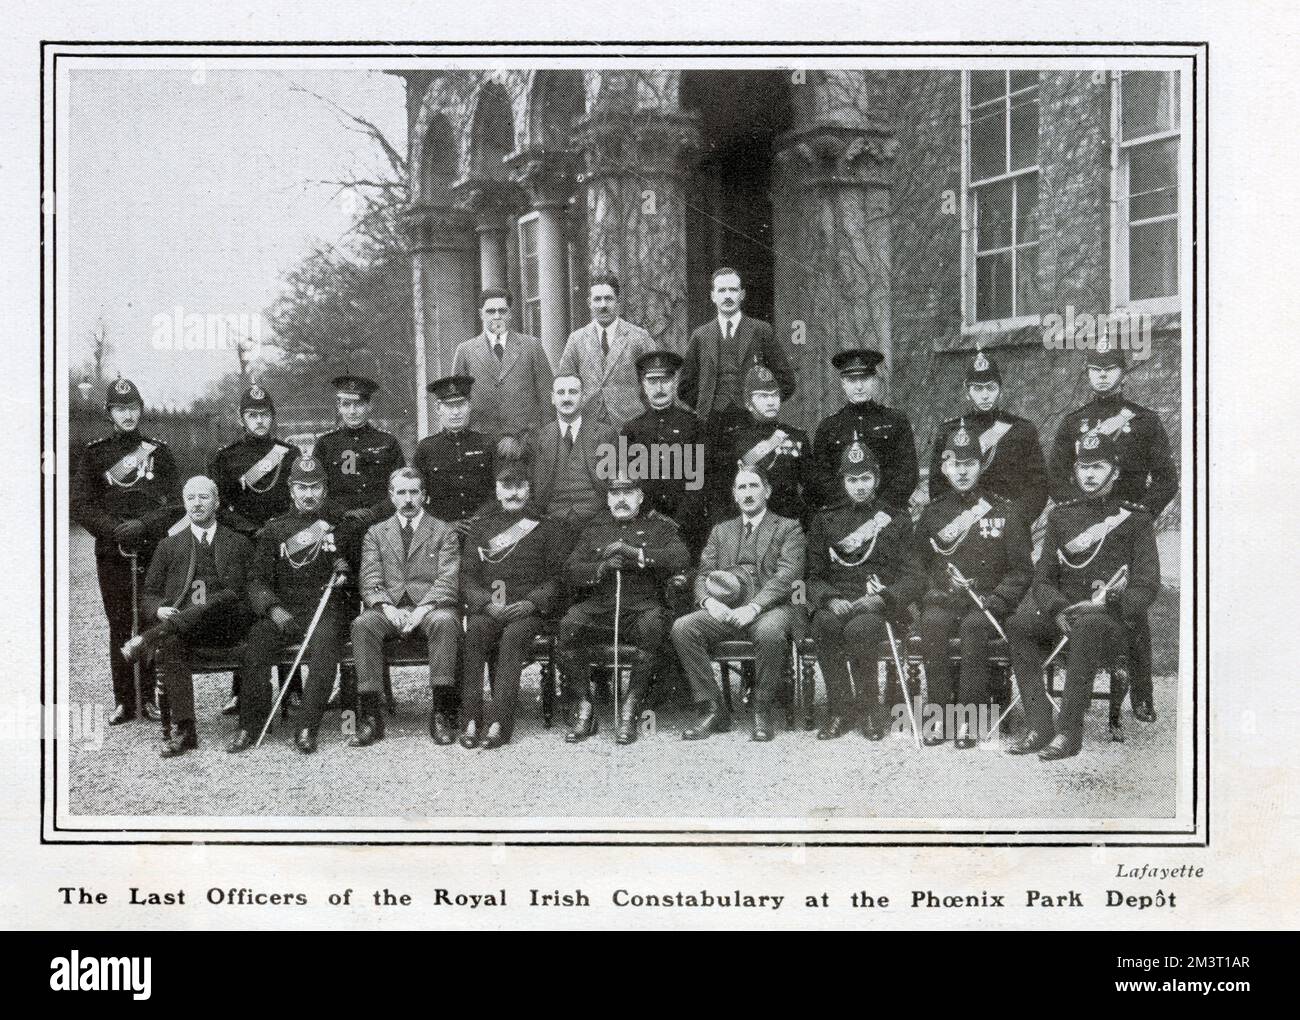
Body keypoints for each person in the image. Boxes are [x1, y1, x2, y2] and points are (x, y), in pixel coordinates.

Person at [1005, 432, 1160, 760]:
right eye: (1083, 467)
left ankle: (1068, 732)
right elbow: (1043, 578)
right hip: (1067, 616)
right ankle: (1040, 724)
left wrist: (1107, 603)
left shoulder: (1136, 519)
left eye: (1099, 466)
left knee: (1090, 625)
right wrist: (1057, 608)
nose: (1089, 474)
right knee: (1019, 624)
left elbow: (1147, 585)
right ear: (1075, 471)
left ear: (1114, 472)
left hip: (1112, 622)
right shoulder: (1061, 517)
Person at [1048, 336, 1177, 723]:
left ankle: (1142, 693)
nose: (1102, 377)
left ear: (1122, 373)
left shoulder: (1144, 421)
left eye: (1109, 370)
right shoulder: (1074, 423)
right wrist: (1080, 515)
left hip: (1126, 529)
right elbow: (1057, 478)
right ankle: (1079, 688)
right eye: (1095, 370)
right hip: (1085, 529)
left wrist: (1139, 518)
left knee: (1132, 608)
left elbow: (1166, 480)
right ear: (1088, 373)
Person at [70, 376, 180, 724]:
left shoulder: (157, 452)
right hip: (112, 550)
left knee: (149, 618)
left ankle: (149, 696)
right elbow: (81, 506)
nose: (128, 415)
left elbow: (175, 503)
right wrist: (114, 530)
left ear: (141, 410)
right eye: (120, 409)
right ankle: (124, 700)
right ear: (110, 413)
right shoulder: (95, 453)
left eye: (133, 408)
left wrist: (145, 526)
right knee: (119, 622)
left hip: (152, 549)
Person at [914, 426, 1032, 749]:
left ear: (981, 466)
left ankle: (969, 720)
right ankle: (938, 716)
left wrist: (996, 600)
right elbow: (916, 566)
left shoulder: (1004, 510)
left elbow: (1022, 570)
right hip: (945, 600)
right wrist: (935, 589)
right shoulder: (933, 513)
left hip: (987, 604)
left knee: (973, 628)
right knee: (933, 622)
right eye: (955, 464)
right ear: (943, 468)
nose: (962, 471)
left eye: (969, 463)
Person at [120, 476, 254, 758]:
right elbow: (149, 595)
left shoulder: (238, 542)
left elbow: (243, 591)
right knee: (171, 643)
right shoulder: (168, 546)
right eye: (190, 498)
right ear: (183, 504)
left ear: (217, 503)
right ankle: (185, 728)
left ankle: (146, 639)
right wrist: (158, 609)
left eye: (204, 497)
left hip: (229, 625)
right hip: (185, 627)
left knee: (224, 596)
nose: (197, 503)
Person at [671, 465, 806, 742]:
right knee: (683, 627)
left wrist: (753, 607)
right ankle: (712, 709)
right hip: (726, 609)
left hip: (770, 608)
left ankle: (762, 709)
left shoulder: (788, 528)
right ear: (734, 494)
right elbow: (704, 574)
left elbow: (788, 576)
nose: (747, 493)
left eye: (753, 486)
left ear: (767, 491)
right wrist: (709, 602)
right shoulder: (721, 531)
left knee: (769, 633)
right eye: (741, 488)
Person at [556, 474, 690, 744]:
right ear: (608, 499)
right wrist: (600, 567)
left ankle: (630, 708)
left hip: (642, 606)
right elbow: (570, 569)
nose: (621, 499)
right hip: (601, 607)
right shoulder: (594, 528)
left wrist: (636, 553)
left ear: (640, 498)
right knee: (570, 625)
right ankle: (585, 707)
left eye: (628, 493)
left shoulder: (659, 527)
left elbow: (681, 557)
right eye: (615, 494)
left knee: (652, 626)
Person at [806, 438, 922, 740]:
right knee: (823, 622)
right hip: (839, 599)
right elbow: (812, 575)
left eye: (865, 478)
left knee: (861, 629)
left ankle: (869, 709)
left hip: (878, 604)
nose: (859, 486)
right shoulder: (825, 519)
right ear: (843, 481)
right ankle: (840, 710)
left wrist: (882, 598)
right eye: (852, 479)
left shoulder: (895, 518)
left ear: (877, 479)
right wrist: (829, 598)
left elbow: (914, 577)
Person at [240, 455, 356, 754]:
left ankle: (306, 727)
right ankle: (249, 727)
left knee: (326, 646)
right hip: (285, 609)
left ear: (325, 489)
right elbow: (256, 580)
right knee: (257, 642)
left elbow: (360, 569)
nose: (309, 494)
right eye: (302, 487)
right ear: (291, 489)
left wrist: (345, 570)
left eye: (315, 487)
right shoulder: (275, 530)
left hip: (324, 606)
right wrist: (273, 609)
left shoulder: (339, 526)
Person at [459, 455, 567, 749]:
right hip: (492, 606)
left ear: (529, 489)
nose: (513, 493)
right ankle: (470, 718)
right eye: (506, 486)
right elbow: (467, 576)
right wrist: (485, 603)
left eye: (519, 486)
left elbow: (557, 577)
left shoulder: (544, 527)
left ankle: (498, 723)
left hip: (526, 611)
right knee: (475, 633)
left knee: (513, 639)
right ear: (496, 490)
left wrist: (532, 603)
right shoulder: (481, 528)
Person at [350, 468, 461, 747]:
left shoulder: (443, 531)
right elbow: (370, 577)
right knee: (362, 625)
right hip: (391, 606)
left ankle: (442, 713)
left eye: (414, 492)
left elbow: (448, 577)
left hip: (430, 606)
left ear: (424, 495)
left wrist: (422, 609)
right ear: (391, 496)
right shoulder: (376, 533)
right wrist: (387, 607)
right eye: (401, 492)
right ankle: (371, 717)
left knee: (446, 621)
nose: (408, 499)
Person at [208, 382, 301, 717]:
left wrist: (279, 530)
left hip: (282, 540)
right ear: (242, 418)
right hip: (244, 541)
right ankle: (240, 690)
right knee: (247, 610)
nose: (259, 421)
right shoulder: (227, 457)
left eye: (265, 415)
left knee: (284, 605)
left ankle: (292, 688)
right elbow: (218, 505)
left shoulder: (288, 455)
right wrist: (250, 529)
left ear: (273, 418)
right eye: (253, 415)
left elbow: (300, 498)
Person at [679, 267, 795, 516]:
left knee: (753, 489)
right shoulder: (700, 336)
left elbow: (786, 379)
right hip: (712, 428)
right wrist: (706, 404)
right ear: (712, 296)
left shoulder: (760, 331)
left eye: (733, 289)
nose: (728, 295)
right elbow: (685, 386)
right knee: (715, 494)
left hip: (751, 426)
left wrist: (764, 407)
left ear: (742, 294)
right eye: (722, 290)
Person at [927, 348, 1048, 528]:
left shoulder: (1021, 430)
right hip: (963, 526)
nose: (985, 395)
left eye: (991, 388)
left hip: (1009, 525)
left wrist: (1016, 520)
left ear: (1000, 390)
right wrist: (959, 521)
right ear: (967, 391)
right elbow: (938, 488)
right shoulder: (950, 432)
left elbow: (1038, 487)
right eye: (977, 388)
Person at [618, 349, 709, 555]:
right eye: (652, 381)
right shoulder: (631, 430)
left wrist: (680, 519)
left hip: (688, 523)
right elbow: (629, 479)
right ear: (643, 384)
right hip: (645, 522)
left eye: (665, 380)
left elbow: (700, 479)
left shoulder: (693, 425)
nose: (659, 387)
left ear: (675, 382)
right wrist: (650, 513)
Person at [812, 348, 918, 515]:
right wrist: (848, 506)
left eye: (865, 378)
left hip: (888, 512)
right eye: (853, 380)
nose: (859, 386)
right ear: (843, 383)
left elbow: (908, 471)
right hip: (844, 515)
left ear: (874, 380)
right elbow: (821, 476)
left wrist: (883, 507)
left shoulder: (895, 420)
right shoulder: (829, 426)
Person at [452, 287, 555, 441]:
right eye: (491, 311)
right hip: (482, 444)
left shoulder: (532, 346)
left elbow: (547, 399)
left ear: (510, 314)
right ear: (481, 314)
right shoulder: (465, 351)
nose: (497, 316)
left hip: (526, 445)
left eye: (502, 311)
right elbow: (457, 401)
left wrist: (548, 442)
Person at [557, 272, 655, 432]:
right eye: (597, 299)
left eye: (608, 299)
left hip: (631, 429)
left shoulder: (638, 338)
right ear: (589, 303)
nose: (603, 305)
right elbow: (564, 386)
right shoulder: (576, 340)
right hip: (589, 430)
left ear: (618, 301)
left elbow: (653, 384)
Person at [313, 374, 406, 531]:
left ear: (369, 406)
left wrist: (375, 513)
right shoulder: (326, 443)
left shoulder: (387, 442)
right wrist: (345, 513)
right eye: (346, 404)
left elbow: (401, 487)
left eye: (359, 404)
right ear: (339, 407)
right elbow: (316, 489)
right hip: (338, 525)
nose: (352, 411)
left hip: (380, 526)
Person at [728, 362, 813, 526]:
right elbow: (727, 493)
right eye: (763, 396)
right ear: (748, 404)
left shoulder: (796, 436)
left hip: (788, 524)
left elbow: (811, 488)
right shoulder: (735, 440)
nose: (771, 402)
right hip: (749, 524)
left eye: (774, 395)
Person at [526, 374, 612, 534]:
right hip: (553, 524)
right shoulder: (540, 438)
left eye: (573, 392)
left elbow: (614, 483)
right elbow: (532, 487)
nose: (566, 398)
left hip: (597, 523)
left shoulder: (604, 434)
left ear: (583, 396)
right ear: (552, 398)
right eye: (561, 392)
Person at [413, 374, 495, 534]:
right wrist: (444, 526)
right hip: (441, 535)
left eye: (461, 405)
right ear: (438, 408)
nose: (456, 412)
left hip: (483, 529)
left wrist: (480, 518)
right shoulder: (427, 448)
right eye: (450, 406)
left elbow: (497, 490)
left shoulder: (487, 443)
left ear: (469, 405)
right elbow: (416, 496)